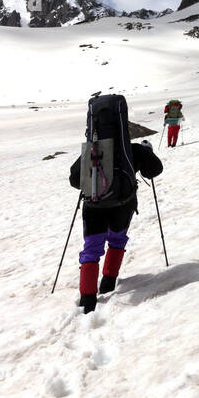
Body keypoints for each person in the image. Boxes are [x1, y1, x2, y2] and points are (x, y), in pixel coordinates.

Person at [68, 131, 163, 313]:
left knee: (91, 249)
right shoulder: (133, 149)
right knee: (117, 239)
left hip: (94, 206)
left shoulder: (92, 151)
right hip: (123, 204)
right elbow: (154, 170)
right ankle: (108, 282)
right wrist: (146, 152)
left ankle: (87, 300)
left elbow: (74, 180)